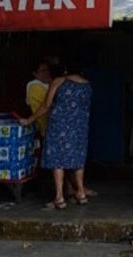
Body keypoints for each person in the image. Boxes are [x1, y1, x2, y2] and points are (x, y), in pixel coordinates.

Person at [19, 60, 93, 210]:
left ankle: (59, 197)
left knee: (57, 160)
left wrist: (29, 120)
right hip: (80, 127)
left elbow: (46, 105)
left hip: (60, 126)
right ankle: (80, 193)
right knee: (78, 159)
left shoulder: (59, 81)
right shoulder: (87, 84)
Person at [25, 59, 53, 139]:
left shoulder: (47, 84)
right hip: (45, 127)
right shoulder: (34, 86)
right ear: (35, 74)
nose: (46, 73)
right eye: (43, 71)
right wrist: (52, 84)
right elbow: (48, 104)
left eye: (47, 70)